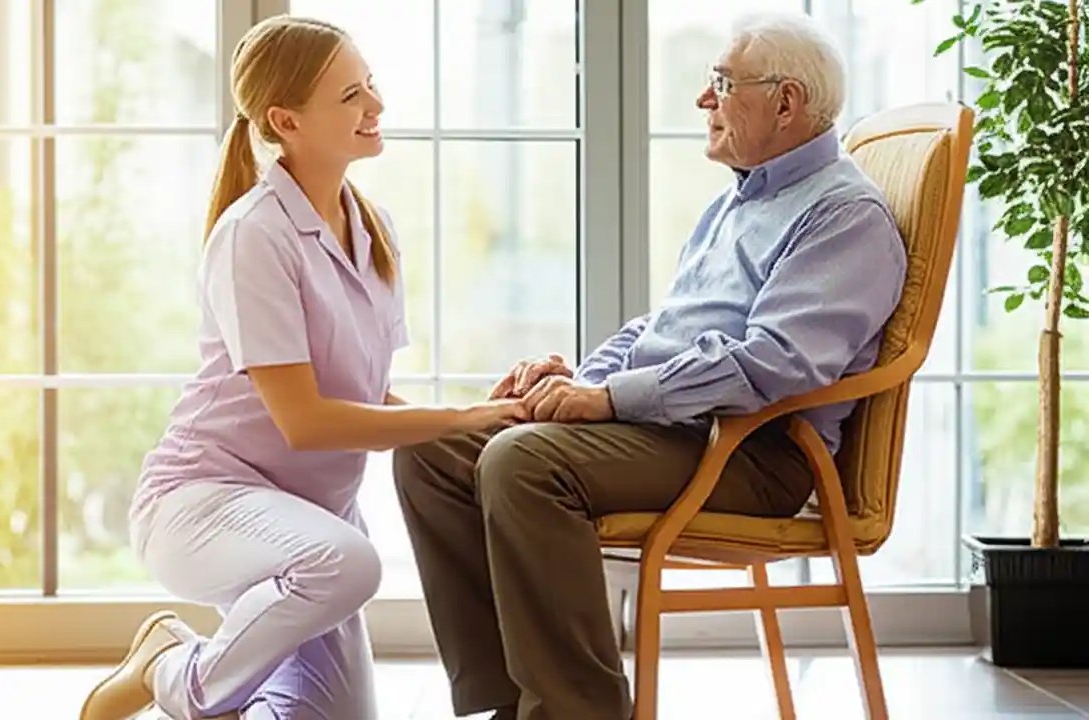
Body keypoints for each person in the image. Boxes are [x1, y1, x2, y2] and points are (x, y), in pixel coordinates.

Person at [393, 12, 907, 720]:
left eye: (723, 82)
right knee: (432, 449)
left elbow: (775, 363)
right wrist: (578, 383)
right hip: (676, 431)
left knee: (524, 462)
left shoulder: (844, 216)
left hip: (752, 452)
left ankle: (579, 713)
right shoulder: (738, 201)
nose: (703, 99)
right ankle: (511, 701)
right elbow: (659, 329)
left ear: (786, 102)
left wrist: (610, 400)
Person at [78, 15, 527, 720]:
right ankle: (169, 665)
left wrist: (486, 416)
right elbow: (307, 422)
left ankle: (214, 680)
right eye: (351, 95)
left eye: (370, 84)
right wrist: (459, 418)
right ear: (285, 122)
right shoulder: (252, 234)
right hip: (205, 507)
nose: (376, 104)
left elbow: (364, 393)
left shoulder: (372, 228)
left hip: (306, 531)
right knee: (351, 563)